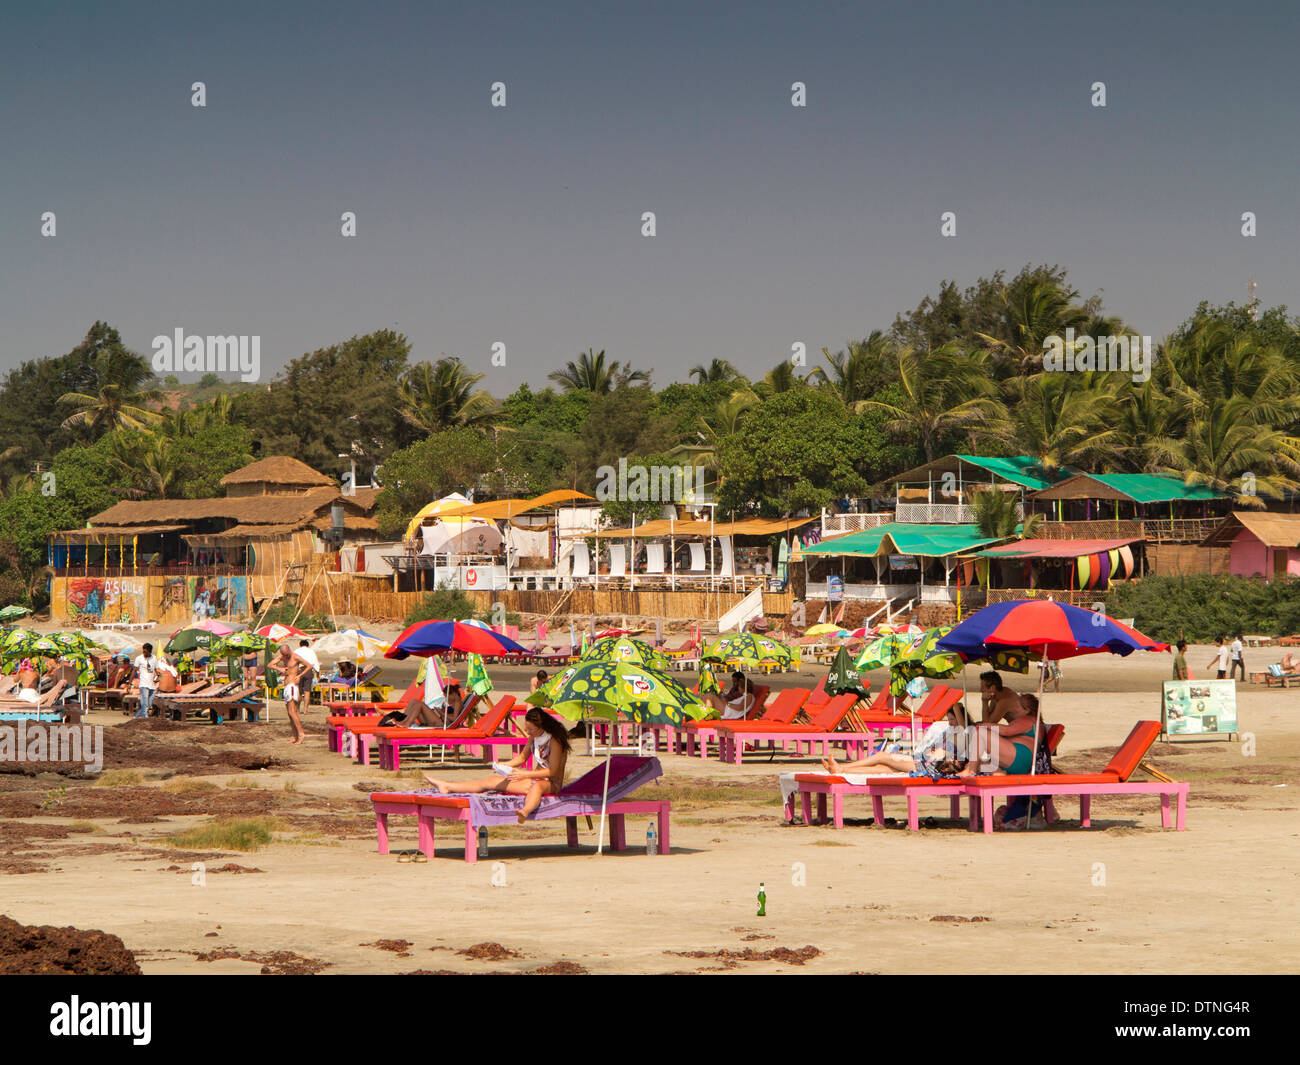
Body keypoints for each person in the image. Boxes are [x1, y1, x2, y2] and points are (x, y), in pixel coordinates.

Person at [423, 707, 571, 823]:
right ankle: (448, 786)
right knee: (491, 781)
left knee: (537, 787)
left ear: (541, 727)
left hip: (551, 783)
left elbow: (552, 771)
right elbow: (522, 757)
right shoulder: (534, 737)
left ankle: (525, 811)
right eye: (527, 728)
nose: (527, 731)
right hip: (532, 778)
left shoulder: (555, 741)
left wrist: (525, 774)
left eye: (530, 729)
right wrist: (503, 765)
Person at [822, 703, 971, 777]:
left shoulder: (963, 733)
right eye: (949, 719)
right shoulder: (950, 733)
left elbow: (962, 721)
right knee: (882, 768)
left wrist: (957, 707)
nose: (950, 722)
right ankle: (841, 770)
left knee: (881, 756)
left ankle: (843, 767)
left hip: (928, 766)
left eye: (953, 719)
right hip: (925, 762)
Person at [960, 692, 1041, 777]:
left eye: (1018, 706)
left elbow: (1007, 731)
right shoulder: (1032, 721)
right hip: (1020, 759)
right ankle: (998, 772)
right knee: (981, 763)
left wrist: (985, 725)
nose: (1015, 708)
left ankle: (970, 770)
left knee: (981, 732)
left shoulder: (1028, 720)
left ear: (1027, 710)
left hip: (1019, 757)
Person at [132, 643, 160, 719]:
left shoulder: (154, 658)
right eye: (143, 651)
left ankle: (135, 717)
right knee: (145, 704)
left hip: (151, 684)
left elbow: (155, 669)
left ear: (150, 652)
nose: (144, 653)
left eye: (146, 652)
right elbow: (135, 669)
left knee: (149, 704)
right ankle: (145, 718)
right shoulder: (139, 658)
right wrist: (130, 680)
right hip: (143, 684)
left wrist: (158, 674)